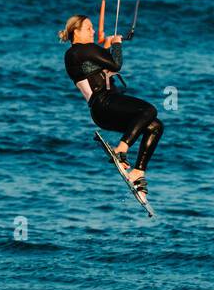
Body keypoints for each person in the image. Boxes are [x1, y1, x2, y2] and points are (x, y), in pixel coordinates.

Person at [59, 15, 163, 191]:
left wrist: (107, 46)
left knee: (155, 126)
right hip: (104, 103)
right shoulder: (80, 50)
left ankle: (138, 172)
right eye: (89, 28)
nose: (93, 31)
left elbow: (95, 66)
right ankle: (121, 149)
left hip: (102, 113)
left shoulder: (75, 54)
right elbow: (115, 64)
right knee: (149, 110)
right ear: (75, 31)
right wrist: (116, 43)